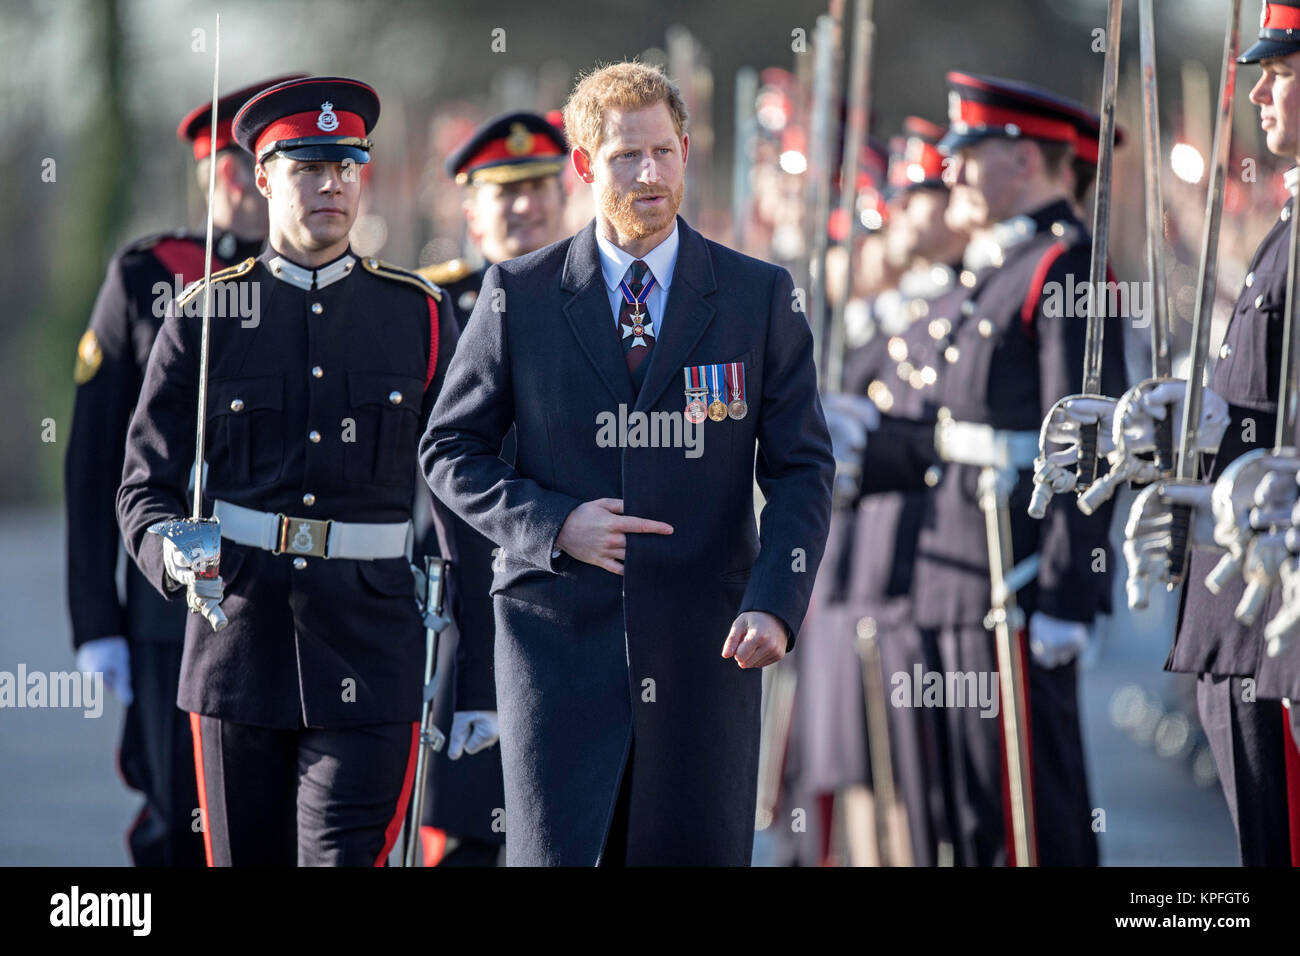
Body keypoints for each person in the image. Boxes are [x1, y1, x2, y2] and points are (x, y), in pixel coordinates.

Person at [421, 60, 835, 866]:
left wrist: (777, 602)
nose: (650, 174)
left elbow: (803, 469)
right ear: (583, 165)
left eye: (665, 152)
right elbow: (448, 448)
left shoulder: (757, 298)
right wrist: (552, 523)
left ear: (685, 151)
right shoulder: (519, 295)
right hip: (556, 658)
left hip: (704, 660)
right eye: (625, 156)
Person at [116, 75, 484, 866]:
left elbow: (460, 483)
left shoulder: (416, 313)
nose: (332, 185)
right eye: (309, 167)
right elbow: (144, 482)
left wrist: (479, 662)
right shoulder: (204, 315)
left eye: (347, 165)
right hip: (237, 645)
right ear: (262, 177)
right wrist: (168, 550)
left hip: (372, 648)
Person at [838, 73, 1128, 865]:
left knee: (1028, 813)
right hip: (956, 568)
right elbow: (950, 434)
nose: (954, 172)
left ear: (1026, 159)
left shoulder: (1062, 270)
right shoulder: (998, 269)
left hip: (1017, 577)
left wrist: (1070, 594)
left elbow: (1086, 446)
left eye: (972, 155)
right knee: (967, 814)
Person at [66, 75, 296, 866]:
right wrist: (97, 618)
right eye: (237, 164)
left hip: (280, 595)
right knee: (176, 810)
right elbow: (95, 465)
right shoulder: (145, 276)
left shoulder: (308, 285)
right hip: (170, 600)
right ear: (223, 175)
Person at [1130, 7, 1300, 865]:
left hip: (1282, 622)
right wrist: (1195, 425)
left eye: (1284, 70)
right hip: (1244, 618)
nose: (1262, 90)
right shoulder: (1290, 226)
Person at [414, 111, 569, 868]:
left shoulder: (597, 300)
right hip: (466, 594)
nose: (525, 206)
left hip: (572, 581)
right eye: (504, 192)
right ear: (470, 210)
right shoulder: (430, 308)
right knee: (471, 829)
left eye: (540, 187)